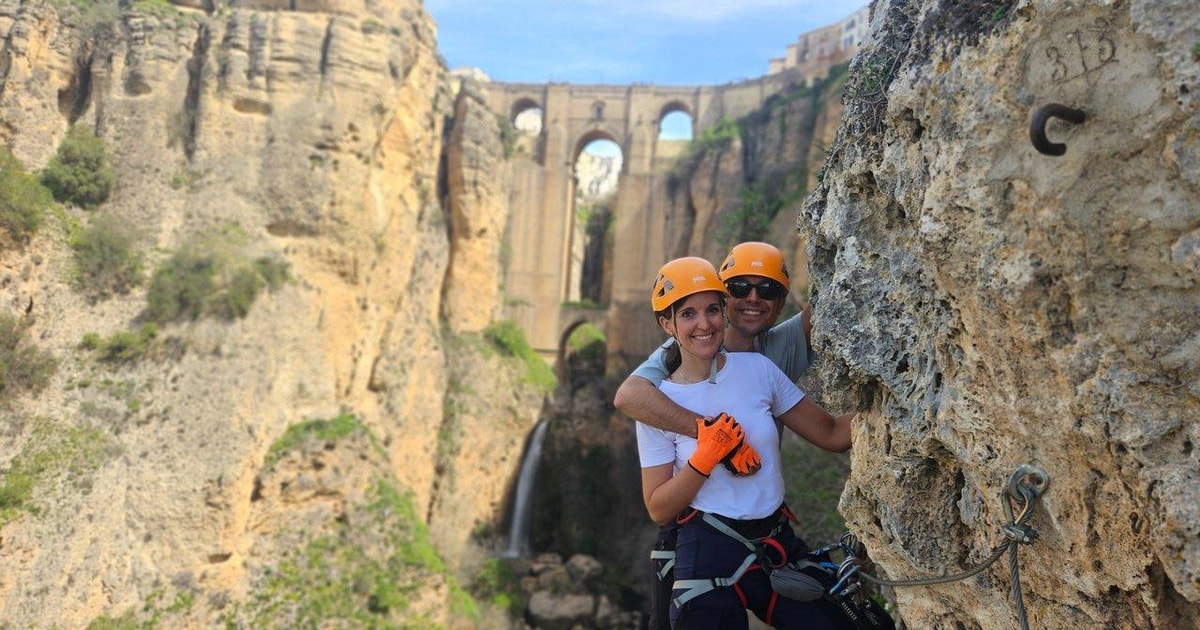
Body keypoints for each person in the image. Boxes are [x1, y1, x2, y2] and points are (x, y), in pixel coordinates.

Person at [635, 256, 854, 629]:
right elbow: (658, 508)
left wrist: (894, 410)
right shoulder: (658, 403)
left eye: (712, 310)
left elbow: (832, 433)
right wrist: (705, 457)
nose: (704, 324)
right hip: (709, 549)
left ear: (724, 312)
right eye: (688, 314)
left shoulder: (759, 370)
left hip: (773, 542)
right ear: (667, 324)